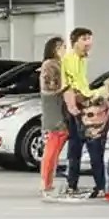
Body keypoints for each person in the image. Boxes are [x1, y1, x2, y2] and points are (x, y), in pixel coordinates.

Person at [60, 27, 109, 198]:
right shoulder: (70, 59)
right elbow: (70, 85)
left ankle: (73, 185)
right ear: (74, 41)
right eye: (84, 38)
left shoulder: (82, 59)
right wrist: (79, 104)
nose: (89, 42)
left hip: (80, 105)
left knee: (76, 146)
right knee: (92, 145)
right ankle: (100, 185)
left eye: (90, 38)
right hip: (77, 107)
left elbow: (82, 84)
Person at [38, 36, 68, 197]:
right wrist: (68, 87)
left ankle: (47, 181)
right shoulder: (50, 65)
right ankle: (46, 182)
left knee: (54, 148)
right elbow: (50, 88)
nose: (65, 50)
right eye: (62, 47)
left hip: (58, 109)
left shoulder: (58, 64)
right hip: (54, 110)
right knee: (52, 147)